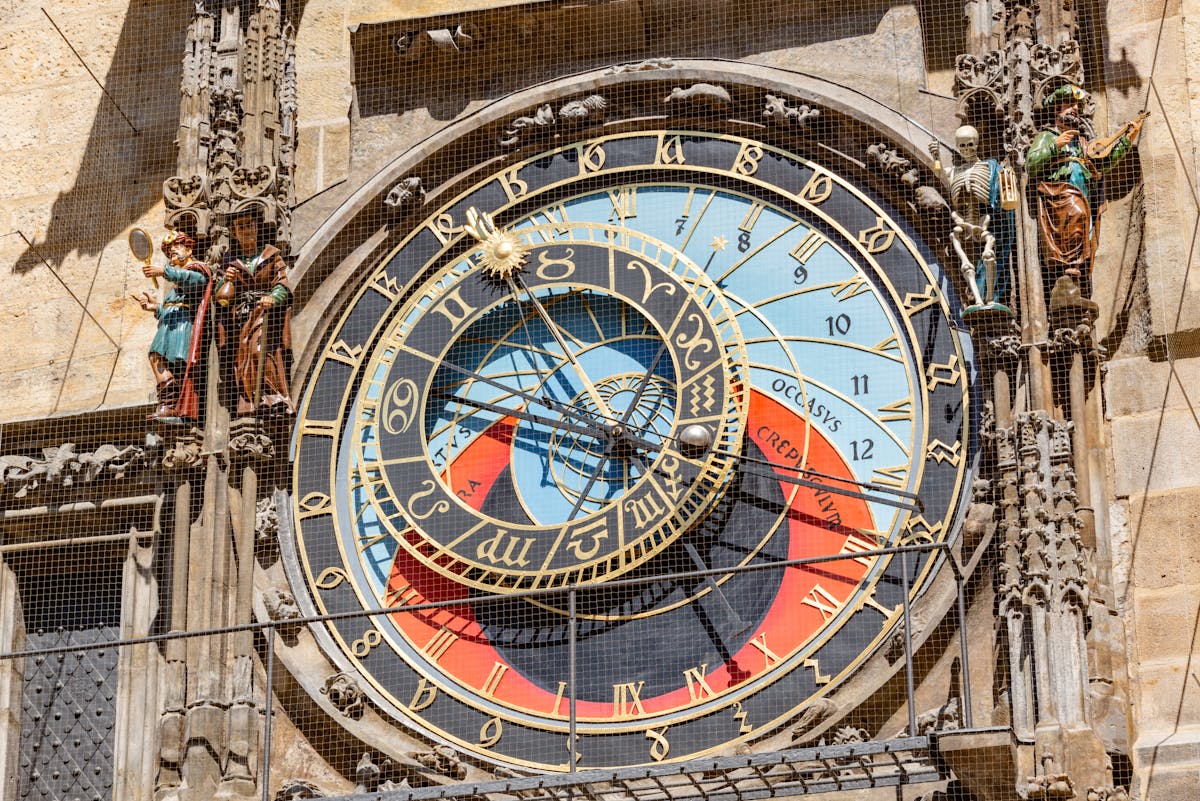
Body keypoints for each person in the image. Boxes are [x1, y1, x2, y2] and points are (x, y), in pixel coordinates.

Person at [1026, 84, 1143, 296]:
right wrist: (1055, 145)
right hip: (1059, 193)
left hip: (1085, 194)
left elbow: (1101, 164)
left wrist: (1126, 140)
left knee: (1084, 225)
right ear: (1056, 110)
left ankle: (1076, 266)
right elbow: (1032, 164)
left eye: (1077, 106)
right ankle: (1067, 268)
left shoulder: (1081, 142)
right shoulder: (1048, 136)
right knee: (1076, 214)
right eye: (1069, 105)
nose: (1075, 109)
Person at [214, 206, 295, 416]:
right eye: (240, 227)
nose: (246, 230)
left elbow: (282, 284)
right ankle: (249, 400)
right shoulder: (230, 262)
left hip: (263, 313)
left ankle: (274, 395)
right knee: (242, 360)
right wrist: (226, 279)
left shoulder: (271, 256)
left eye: (250, 225)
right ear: (234, 232)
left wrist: (273, 297)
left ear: (257, 227)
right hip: (241, 319)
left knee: (259, 351)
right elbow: (221, 298)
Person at [929, 125, 1016, 313]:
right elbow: (939, 174)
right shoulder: (954, 171)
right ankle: (977, 298)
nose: (966, 150)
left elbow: (1002, 191)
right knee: (959, 244)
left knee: (989, 251)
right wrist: (936, 158)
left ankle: (990, 297)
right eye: (961, 146)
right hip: (963, 220)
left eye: (969, 145)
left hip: (985, 220)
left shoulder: (989, 167)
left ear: (976, 144)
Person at [132, 230, 212, 421]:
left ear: (189, 248)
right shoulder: (177, 281)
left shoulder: (197, 269)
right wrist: (155, 308)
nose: (172, 252)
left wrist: (164, 271)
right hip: (170, 324)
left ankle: (172, 405)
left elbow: (198, 282)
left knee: (169, 362)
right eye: (169, 250)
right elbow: (174, 305)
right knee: (157, 358)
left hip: (183, 326)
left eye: (176, 246)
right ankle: (168, 404)